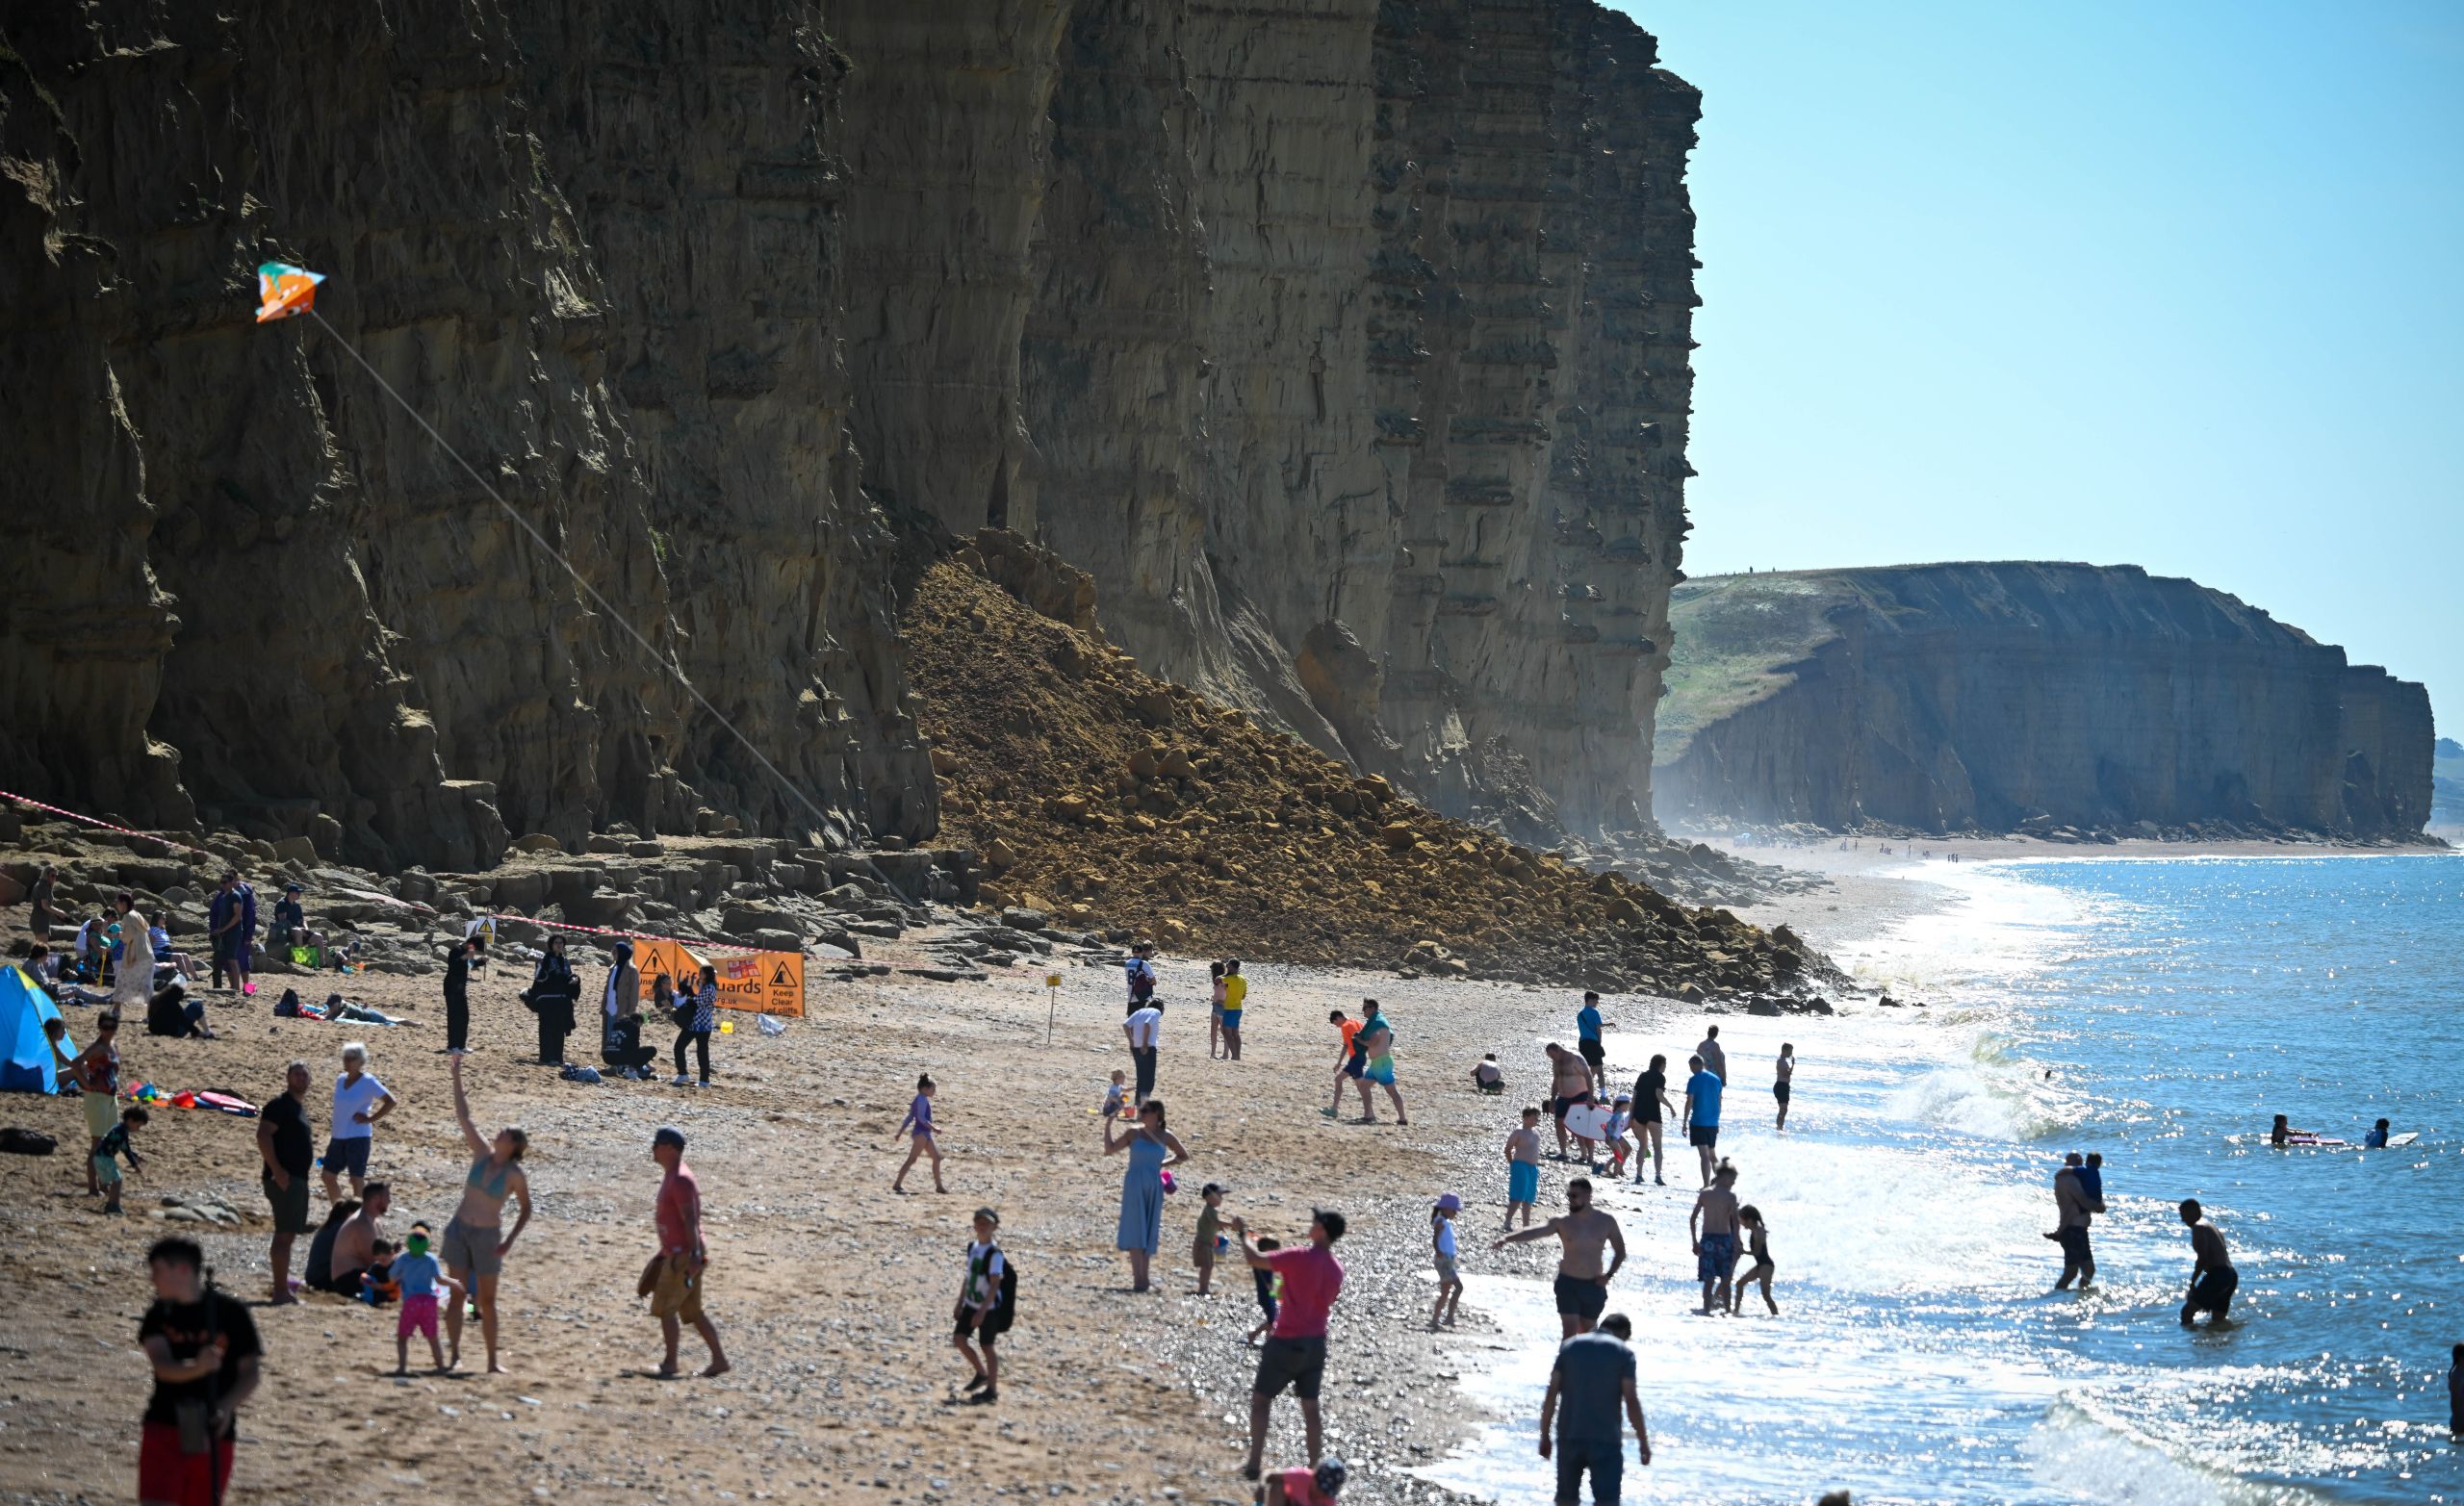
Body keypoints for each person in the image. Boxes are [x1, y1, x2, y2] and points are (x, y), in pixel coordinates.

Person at [137, 1237, 263, 1506]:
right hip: (164, 1425)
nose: (152, 1279)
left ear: (181, 1269)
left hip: (214, 1430)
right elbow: (163, 1367)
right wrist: (198, 1367)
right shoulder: (159, 1314)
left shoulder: (231, 1313)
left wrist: (226, 1406)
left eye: (158, 1270)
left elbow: (250, 1373)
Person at [1235, 1209, 1348, 1480]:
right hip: (1316, 1343)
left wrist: (1243, 1234)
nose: (1311, 1224)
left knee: (1262, 1400)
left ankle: (1254, 1465)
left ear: (1321, 1228)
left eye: (1314, 1222)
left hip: (1285, 1340)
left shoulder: (1299, 1256)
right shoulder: (1336, 1268)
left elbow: (1254, 1258)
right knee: (1310, 1407)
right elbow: (1325, 1301)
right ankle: (1313, 1469)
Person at [444, 1052, 531, 1372]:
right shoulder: (481, 1154)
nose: (498, 1135)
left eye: (504, 1134)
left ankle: (493, 1361)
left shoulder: (513, 1175)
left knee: (488, 1302)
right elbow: (464, 1117)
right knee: (456, 1296)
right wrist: (456, 1075)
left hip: (487, 1237)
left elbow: (525, 1210)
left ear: (513, 1145)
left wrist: (509, 1241)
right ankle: (454, 1356)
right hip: (459, 1230)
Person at [1538, 1312, 1651, 1504]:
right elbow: (1631, 1400)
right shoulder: (1623, 1353)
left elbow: (1551, 1393)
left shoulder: (1569, 1347)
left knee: (1566, 1499)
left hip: (1569, 1435)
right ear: (1623, 1333)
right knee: (1607, 1500)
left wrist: (1545, 1436)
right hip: (1606, 1438)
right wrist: (1643, 1441)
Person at [1496, 1177, 1628, 1338]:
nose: (1570, 1200)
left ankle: (1586, 1359)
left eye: (1574, 1196)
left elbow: (1620, 1251)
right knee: (1569, 1333)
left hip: (1593, 1284)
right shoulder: (1562, 1221)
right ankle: (1564, 1361)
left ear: (1588, 1195)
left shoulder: (1606, 1221)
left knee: (1587, 1332)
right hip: (1568, 1283)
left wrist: (1608, 1275)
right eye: (1568, 1195)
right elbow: (1536, 1231)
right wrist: (1507, 1238)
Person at [647, 1125, 730, 1378]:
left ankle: (670, 1364)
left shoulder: (680, 1179)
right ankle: (719, 1360)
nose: (653, 1147)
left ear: (670, 1148)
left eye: (657, 1143)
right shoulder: (674, 1175)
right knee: (692, 1312)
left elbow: (690, 1219)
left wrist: (693, 1257)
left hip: (683, 1255)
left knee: (666, 1309)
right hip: (680, 1252)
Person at [1104, 1099, 1190, 1292]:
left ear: (1158, 1114)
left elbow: (1184, 1155)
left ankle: (1146, 1279)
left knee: (1149, 1227)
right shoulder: (1133, 1132)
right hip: (1135, 1183)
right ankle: (1138, 1280)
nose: (1142, 1113)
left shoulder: (1166, 1135)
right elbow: (1109, 1150)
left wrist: (1163, 1164)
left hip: (1153, 1184)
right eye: (1141, 1110)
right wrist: (1109, 1124)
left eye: (1146, 1110)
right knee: (1136, 1228)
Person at [255, 1060, 316, 1306]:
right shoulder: (279, 1106)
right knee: (283, 1235)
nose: (301, 1078)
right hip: (284, 1179)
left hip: (296, 1178)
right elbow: (262, 1135)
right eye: (297, 1075)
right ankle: (280, 1291)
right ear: (288, 1078)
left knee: (287, 1236)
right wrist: (277, 1170)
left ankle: (282, 1290)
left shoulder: (298, 1108)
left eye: (304, 1075)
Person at [322, 1042, 397, 1201]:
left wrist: (370, 1119)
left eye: (352, 1058)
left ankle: (359, 1218)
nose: (347, 1061)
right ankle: (339, 1212)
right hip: (338, 1136)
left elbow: (390, 1101)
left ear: (361, 1061)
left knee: (356, 1179)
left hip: (358, 1137)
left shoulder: (368, 1081)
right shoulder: (340, 1080)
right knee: (328, 1176)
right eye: (346, 1057)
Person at [953, 1206, 1012, 1403]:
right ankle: (981, 1373)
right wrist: (960, 1303)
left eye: (986, 1223)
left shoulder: (995, 1254)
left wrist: (982, 1312)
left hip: (989, 1308)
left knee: (987, 1346)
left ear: (995, 1227)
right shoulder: (973, 1248)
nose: (982, 1226)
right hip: (971, 1303)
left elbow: (995, 1284)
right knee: (960, 1339)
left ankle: (992, 1389)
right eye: (979, 1222)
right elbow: (969, 1277)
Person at [65, 1009, 123, 1197]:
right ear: (100, 1027)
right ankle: (93, 1187)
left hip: (110, 1098)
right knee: (97, 1143)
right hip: (96, 1098)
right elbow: (76, 1063)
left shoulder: (113, 1045)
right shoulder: (97, 1048)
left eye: (112, 1027)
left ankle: (104, 1183)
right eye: (105, 1027)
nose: (109, 1031)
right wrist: (86, 1084)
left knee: (109, 1144)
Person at [391, 1228, 460, 1374]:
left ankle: (402, 1367)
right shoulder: (431, 1259)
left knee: (403, 1337)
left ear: (408, 1244)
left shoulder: (403, 1259)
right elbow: (440, 1279)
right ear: (427, 1245)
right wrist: (455, 1282)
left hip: (411, 1302)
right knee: (433, 1337)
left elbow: (392, 1277)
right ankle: (440, 1367)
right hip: (429, 1302)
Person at [1689, 1160, 1741, 1315]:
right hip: (1724, 1239)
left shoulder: (1705, 1194)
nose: (1733, 1183)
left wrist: (1695, 1241)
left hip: (1707, 1240)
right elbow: (1736, 1222)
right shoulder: (1730, 1196)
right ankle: (1728, 1312)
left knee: (1708, 1280)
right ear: (1724, 1177)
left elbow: (1693, 1219)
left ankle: (1706, 1311)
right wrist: (1736, 1243)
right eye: (1732, 1180)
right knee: (1726, 1280)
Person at [2177, 1199, 2238, 1326]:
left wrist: (2193, 1283)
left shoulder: (2199, 1227)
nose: (2182, 1220)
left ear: (2194, 1212)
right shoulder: (2210, 1225)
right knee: (2218, 1321)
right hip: (2231, 1275)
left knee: (2187, 1312)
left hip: (2219, 1275)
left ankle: (2189, 1344)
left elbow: (2203, 1258)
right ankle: (2219, 1343)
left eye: (2184, 1215)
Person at [1346, 1004, 1407, 1125]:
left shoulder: (1378, 1024)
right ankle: (1369, 1116)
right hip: (1376, 1063)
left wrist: (1358, 1039)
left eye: (1365, 1009)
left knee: (1392, 1091)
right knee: (1364, 1086)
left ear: (1372, 1008)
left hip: (1381, 1064)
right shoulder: (1376, 1022)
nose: (1363, 1012)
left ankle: (1402, 1119)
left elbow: (1372, 1043)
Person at [600, 943, 655, 1076]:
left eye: (616, 951)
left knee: (623, 1038)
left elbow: (634, 992)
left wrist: (630, 1011)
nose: (613, 954)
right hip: (610, 1008)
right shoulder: (613, 968)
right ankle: (613, 1066)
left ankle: (623, 1066)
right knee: (611, 1038)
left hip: (622, 1009)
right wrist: (603, 1006)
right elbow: (608, 989)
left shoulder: (631, 970)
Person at [326, 1184, 390, 1296]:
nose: (389, 1201)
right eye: (387, 1197)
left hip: (359, 1275)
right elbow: (374, 1261)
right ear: (376, 1200)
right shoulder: (361, 1223)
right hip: (348, 1280)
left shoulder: (374, 1221)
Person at [526, 935, 579, 1065]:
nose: (559, 945)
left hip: (562, 1001)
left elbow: (568, 975)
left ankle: (557, 1057)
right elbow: (539, 978)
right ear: (551, 944)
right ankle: (546, 1057)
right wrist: (540, 964)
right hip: (547, 1001)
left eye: (561, 943)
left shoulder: (566, 961)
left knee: (559, 1029)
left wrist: (575, 979)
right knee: (546, 1029)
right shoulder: (545, 959)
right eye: (556, 943)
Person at [2050, 1152, 2096, 1290]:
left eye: (2079, 1161)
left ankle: (2080, 1294)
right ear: (2067, 1164)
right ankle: (2056, 1296)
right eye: (2075, 1161)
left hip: (2080, 1231)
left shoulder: (2077, 1180)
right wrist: (2098, 1206)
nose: (2078, 1163)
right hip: (2071, 1231)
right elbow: (2082, 1202)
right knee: (2071, 1273)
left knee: (2089, 1270)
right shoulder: (2066, 1180)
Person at [206, 870, 256, 996]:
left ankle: (247, 988)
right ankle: (233, 987)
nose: (223, 884)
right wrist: (214, 931)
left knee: (243, 962)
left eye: (227, 881)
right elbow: (214, 914)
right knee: (227, 962)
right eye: (222, 882)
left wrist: (249, 935)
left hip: (240, 932)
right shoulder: (221, 896)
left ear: (235, 880)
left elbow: (249, 915)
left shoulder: (244, 894)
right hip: (224, 934)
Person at [893, 1073, 945, 1194]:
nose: (934, 1092)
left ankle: (939, 1186)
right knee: (912, 1159)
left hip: (923, 1133)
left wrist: (900, 1133)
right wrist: (934, 1128)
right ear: (925, 1089)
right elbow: (921, 1118)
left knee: (936, 1158)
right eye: (933, 1089)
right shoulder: (921, 1099)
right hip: (921, 1134)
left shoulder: (919, 1099)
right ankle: (897, 1184)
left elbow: (910, 1117)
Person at [93, 1104, 147, 1215]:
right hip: (105, 1158)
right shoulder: (122, 1132)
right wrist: (135, 1165)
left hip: (98, 1156)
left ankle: (107, 1203)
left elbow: (123, 1147)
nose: (138, 1129)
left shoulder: (118, 1128)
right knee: (118, 1180)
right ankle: (114, 1205)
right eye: (138, 1126)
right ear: (131, 1120)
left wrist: (136, 1156)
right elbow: (126, 1151)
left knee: (107, 1182)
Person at [672, 962, 719, 1088]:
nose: (699, 974)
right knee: (679, 1046)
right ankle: (683, 1074)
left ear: (707, 974)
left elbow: (697, 1002)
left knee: (702, 1052)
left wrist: (687, 996)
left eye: (702, 972)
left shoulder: (709, 988)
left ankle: (704, 1080)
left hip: (702, 1023)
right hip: (695, 1022)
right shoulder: (704, 986)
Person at [1546, 1043, 1595, 1161]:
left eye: (1553, 1055)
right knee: (1558, 1123)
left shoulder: (1575, 1058)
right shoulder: (1556, 1062)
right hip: (1563, 1097)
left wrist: (1590, 1096)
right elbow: (1556, 1080)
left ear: (1559, 1050)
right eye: (1550, 1057)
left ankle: (1587, 1155)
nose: (1552, 1058)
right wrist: (1552, 1099)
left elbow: (1588, 1076)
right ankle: (1563, 1153)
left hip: (1580, 1095)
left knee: (1580, 1126)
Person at [1630, 1054, 1673, 1186]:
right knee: (1657, 1147)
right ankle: (1658, 1176)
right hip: (1653, 1115)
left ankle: (1638, 1175)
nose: (1665, 1067)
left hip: (1639, 1114)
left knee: (1642, 1146)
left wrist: (1631, 1116)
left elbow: (1634, 1097)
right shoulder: (1660, 1077)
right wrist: (1670, 1107)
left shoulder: (1642, 1076)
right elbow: (1658, 1094)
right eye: (1665, 1064)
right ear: (1661, 1064)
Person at [1681, 1054, 1723, 1186]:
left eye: (1691, 1066)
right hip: (1712, 1122)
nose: (1690, 1069)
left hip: (1699, 1121)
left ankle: (1706, 1185)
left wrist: (1684, 1122)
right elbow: (1719, 1100)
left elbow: (1689, 1101)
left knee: (1704, 1155)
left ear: (1696, 1064)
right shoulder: (1716, 1079)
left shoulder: (1693, 1080)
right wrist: (1717, 1119)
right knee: (1712, 1154)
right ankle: (1722, 1183)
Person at [1732, 1204, 1778, 1315]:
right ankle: (1736, 1312)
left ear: (1750, 1220)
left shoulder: (1758, 1231)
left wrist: (1743, 1251)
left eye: (1742, 1220)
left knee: (1766, 1295)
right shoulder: (1754, 1230)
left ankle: (1776, 1316)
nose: (1741, 1223)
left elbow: (1757, 1252)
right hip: (1760, 1265)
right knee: (1739, 1284)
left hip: (1766, 1265)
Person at [1505, 1105, 1544, 1230]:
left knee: (1528, 1198)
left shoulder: (1536, 1133)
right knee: (1518, 1195)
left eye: (1537, 1119)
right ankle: (1507, 1221)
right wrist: (1513, 1164)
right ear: (1525, 1117)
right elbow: (1508, 1149)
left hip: (1532, 1167)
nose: (1536, 1121)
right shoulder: (1519, 1132)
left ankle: (1526, 1225)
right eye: (1534, 1118)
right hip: (1520, 1165)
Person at [1322, 1008, 1365, 1118]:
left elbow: (1347, 1045)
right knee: (1338, 1079)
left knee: (1361, 1086)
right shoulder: (1356, 1022)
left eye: (1335, 1023)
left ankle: (1369, 1113)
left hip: (1356, 1059)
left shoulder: (1346, 1026)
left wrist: (1339, 1062)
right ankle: (1334, 1109)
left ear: (1338, 1018)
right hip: (1357, 1058)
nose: (1336, 1026)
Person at [1429, 1193, 1464, 1329]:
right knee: (1453, 1289)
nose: (1455, 1213)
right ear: (1445, 1209)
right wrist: (1438, 1252)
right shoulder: (1440, 1221)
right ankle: (1439, 1320)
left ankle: (1445, 1318)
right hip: (1443, 1260)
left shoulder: (1446, 1222)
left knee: (1450, 1290)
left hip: (1448, 1260)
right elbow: (1435, 1238)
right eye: (1454, 1210)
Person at [441, 933, 480, 1054]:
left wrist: (481, 962)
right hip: (451, 988)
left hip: (460, 988)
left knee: (464, 1017)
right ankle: (452, 1046)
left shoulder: (468, 952)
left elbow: (470, 964)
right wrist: (466, 956)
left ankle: (461, 1045)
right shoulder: (456, 950)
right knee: (454, 1018)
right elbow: (453, 965)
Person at [1123, 995, 1164, 1106]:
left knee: (1140, 1078)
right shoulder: (1156, 1012)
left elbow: (1126, 1025)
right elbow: (1147, 1024)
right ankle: (1143, 1107)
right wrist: (1145, 1044)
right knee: (1148, 1080)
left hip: (1136, 1047)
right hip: (1148, 1048)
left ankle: (1138, 1108)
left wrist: (1131, 1042)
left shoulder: (1140, 1011)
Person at [1257, 1459, 1346, 1505]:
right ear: (1314, 1476)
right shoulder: (1302, 1476)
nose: (1321, 1493)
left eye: (1326, 1492)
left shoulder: (1328, 1500)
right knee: (1277, 1485)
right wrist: (1261, 1487)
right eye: (1320, 1488)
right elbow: (1269, 1474)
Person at [145, 979, 213, 1039]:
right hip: (174, 1032)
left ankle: (206, 1031)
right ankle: (207, 1031)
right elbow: (184, 1021)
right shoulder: (173, 1004)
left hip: (154, 1030)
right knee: (195, 1005)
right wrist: (197, 1032)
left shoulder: (154, 999)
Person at [1246, 1236, 1283, 1346]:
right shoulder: (1262, 1263)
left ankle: (1268, 1339)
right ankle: (1253, 1334)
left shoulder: (1262, 1262)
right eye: (1274, 1250)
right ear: (1267, 1249)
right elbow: (1269, 1282)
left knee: (1273, 1318)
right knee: (1272, 1321)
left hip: (1268, 1295)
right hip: (1265, 1295)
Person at [1194, 1182, 1227, 1295]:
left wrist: (1220, 1228)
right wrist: (1231, 1224)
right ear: (1209, 1197)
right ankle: (1202, 1289)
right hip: (1203, 1244)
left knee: (1208, 1266)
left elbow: (1211, 1225)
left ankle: (1205, 1288)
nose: (1221, 1199)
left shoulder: (1212, 1210)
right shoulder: (1209, 1209)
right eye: (1219, 1196)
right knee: (1206, 1267)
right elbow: (1215, 1222)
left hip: (1208, 1243)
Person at [269, 882, 312, 952]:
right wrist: (299, 928)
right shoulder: (282, 904)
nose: (299, 894)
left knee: (318, 936)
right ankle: (301, 957)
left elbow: (303, 920)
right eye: (298, 892)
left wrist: (306, 929)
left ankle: (322, 961)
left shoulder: (297, 905)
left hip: (297, 928)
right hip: (285, 931)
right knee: (298, 932)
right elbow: (284, 922)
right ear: (291, 893)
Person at [1575, 991, 1605, 1086]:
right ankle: (1603, 1094)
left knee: (1586, 1066)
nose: (1597, 1002)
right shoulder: (1595, 1012)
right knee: (1599, 1067)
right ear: (1590, 1000)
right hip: (1593, 1042)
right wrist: (1599, 1042)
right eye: (1596, 1000)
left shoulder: (1580, 1014)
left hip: (1582, 1043)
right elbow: (1598, 1028)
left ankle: (1581, 1085)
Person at [1221, 958, 1248, 1061]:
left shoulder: (1230, 978)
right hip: (1238, 1009)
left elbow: (1218, 979)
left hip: (1230, 1009)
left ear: (1232, 967)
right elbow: (1243, 996)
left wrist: (1225, 976)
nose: (1227, 967)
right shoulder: (1242, 979)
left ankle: (1234, 1056)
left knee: (1226, 1032)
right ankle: (1238, 1056)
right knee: (1235, 1033)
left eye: (1228, 965)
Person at [24, 863, 59, 940]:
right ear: (46, 875)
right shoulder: (42, 886)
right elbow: (45, 906)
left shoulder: (46, 886)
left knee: (40, 948)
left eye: (56, 876)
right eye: (52, 875)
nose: (54, 878)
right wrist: (60, 913)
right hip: (40, 920)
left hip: (42, 920)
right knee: (42, 949)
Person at [1603, 1095, 1632, 1179]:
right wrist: (1608, 1136)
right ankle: (1614, 1172)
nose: (1629, 1107)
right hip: (1613, 1138)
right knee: (1619, 1155)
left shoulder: (1621, 1113)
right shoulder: (1618, 1114)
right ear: (1622, 1105)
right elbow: (1608, 1125)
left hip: (1617, 1137)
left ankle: (1611, 1169)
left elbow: (1621, 1126)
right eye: (1628, 1105)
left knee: (1628, 1149)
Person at [1123, 940, 1158, 1011]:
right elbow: (1152, 980)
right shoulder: (1144, 962)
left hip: (1131, 993)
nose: (1152, 952)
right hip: (1141, 992)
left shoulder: (1129, 962)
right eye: (1151, 950)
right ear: (1146, 951)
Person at [1773, 1043, 1795, 1131]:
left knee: (1783, 1109)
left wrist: (1791, 1067)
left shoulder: (1783, 1061)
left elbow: (1787, 1073)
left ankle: (1780, 1127)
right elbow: (1787, 1074)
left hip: (1783, 1086)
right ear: (1784, 1051)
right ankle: (1779, 1127)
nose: (1791, 1053)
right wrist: (1793, 1065)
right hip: (1781, 1086)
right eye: (1790, 1051)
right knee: (1783, 1109)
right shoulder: (1781, 1061)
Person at [1210, 960, 1228, 1060]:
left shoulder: (1224, 980)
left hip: (1222, 1007)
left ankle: (1225, 1054)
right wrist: (1214, 997)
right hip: (1215, 1006)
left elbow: (1229, 994)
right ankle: (1213, 1053)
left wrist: (1222, 1001)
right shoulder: (1216, 980)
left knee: (1224, 1031)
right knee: (1213, 1030)